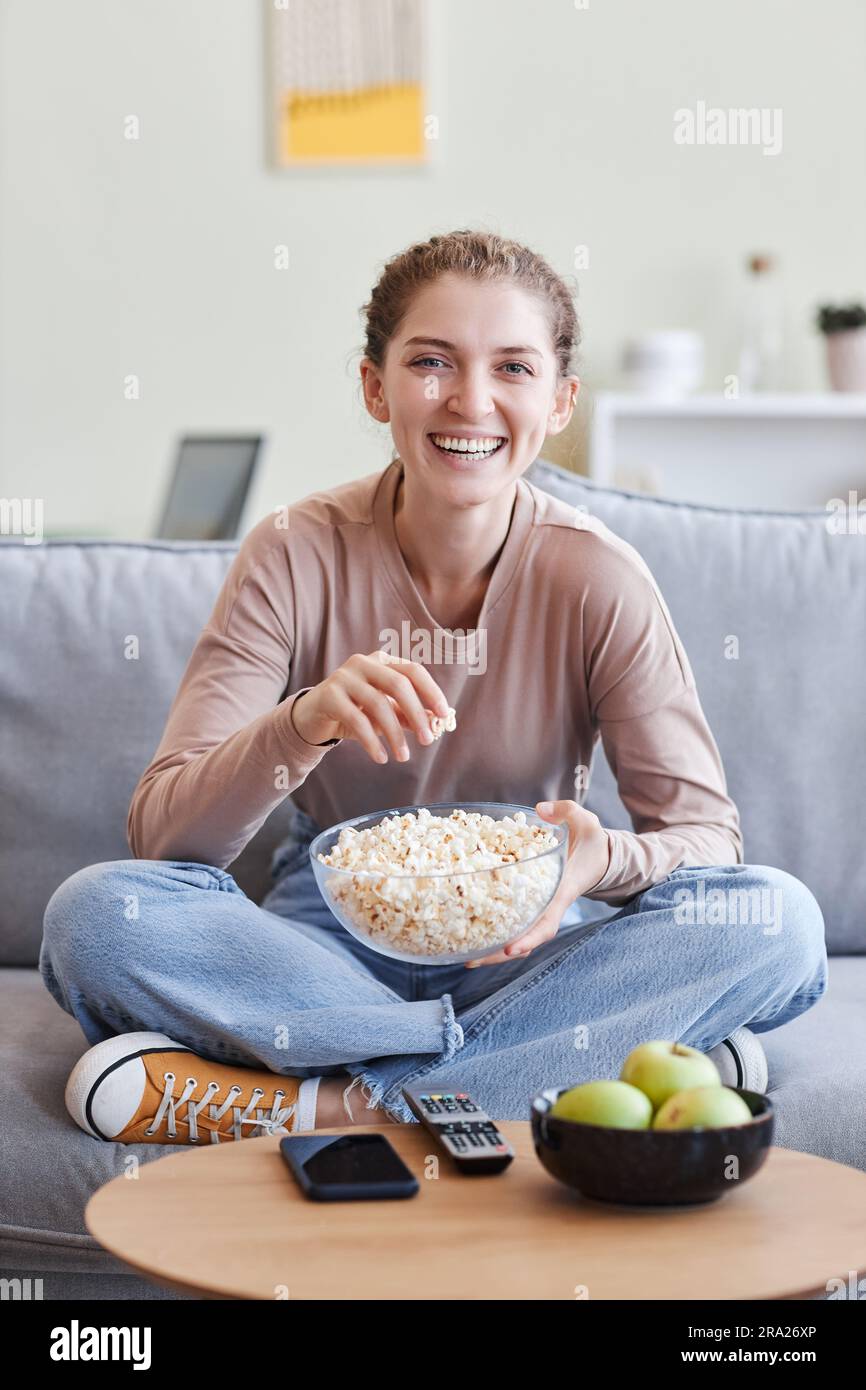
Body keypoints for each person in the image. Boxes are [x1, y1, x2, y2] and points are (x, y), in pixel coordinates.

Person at [40, 229, 828, 1145]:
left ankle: (330, 1104)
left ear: (561, 399)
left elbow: (708, 843)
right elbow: (165, 839)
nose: (471, 400)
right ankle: (560, 1071)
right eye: (431, 362)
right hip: (324, 957)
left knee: (775, 917)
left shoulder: (598, 577)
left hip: (530, 953)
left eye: (514, 368)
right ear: (376, 386)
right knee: (96, 913)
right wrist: (301, 725)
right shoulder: (294, 552)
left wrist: (599, 860)